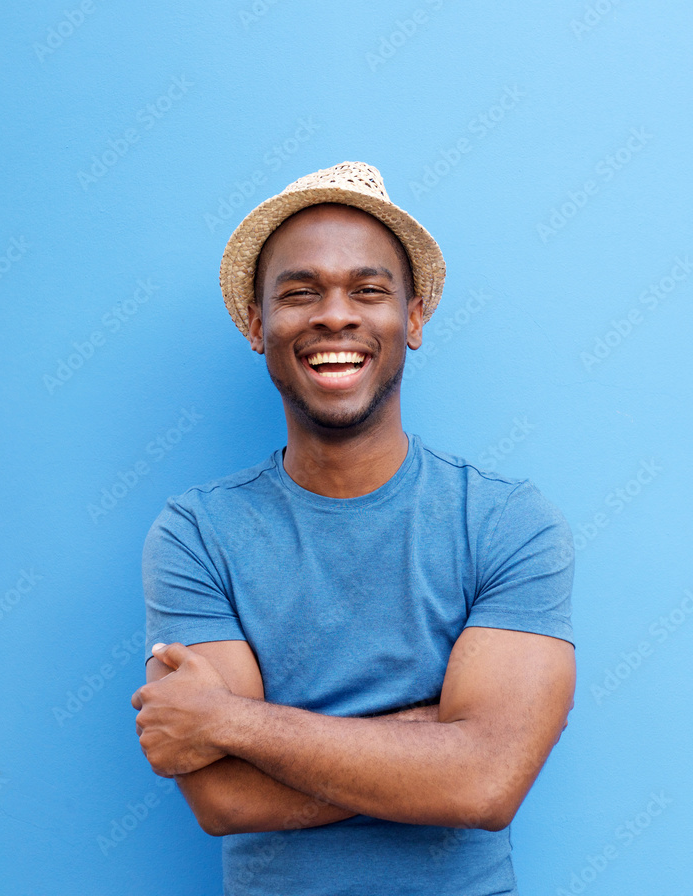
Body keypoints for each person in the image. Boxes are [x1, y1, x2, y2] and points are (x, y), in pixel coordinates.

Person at [130, 161, 575, 895]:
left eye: (368, 291)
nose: (335, 315)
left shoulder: (507, 522)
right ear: (256, 325)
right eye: (300, 293)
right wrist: (440, 742)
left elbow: (486, 787)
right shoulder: (196, 535)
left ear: (416, 317)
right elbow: (226, 799)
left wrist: (233, 724)